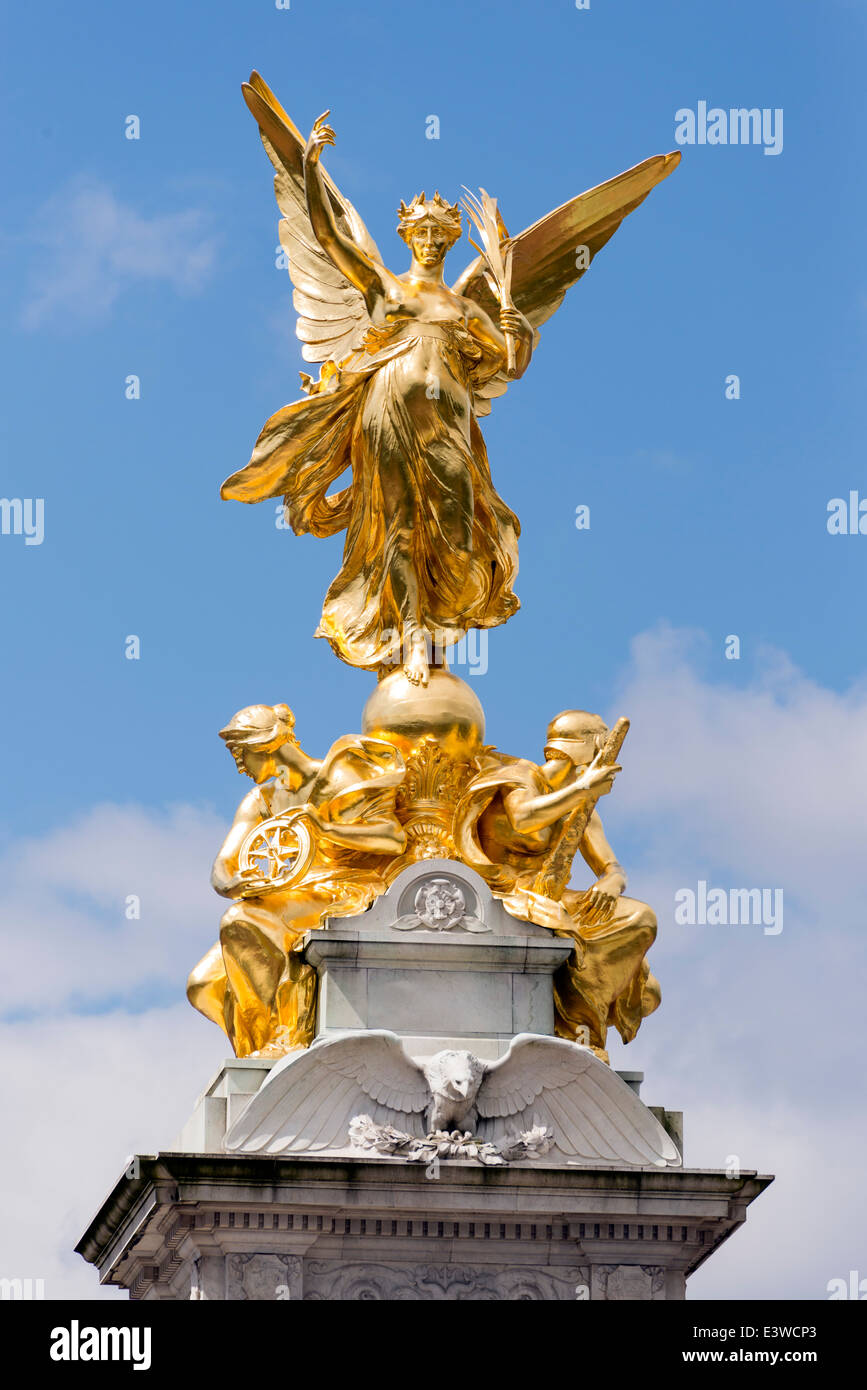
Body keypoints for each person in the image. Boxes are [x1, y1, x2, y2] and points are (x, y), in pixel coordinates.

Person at [187, 703, 406, 1057]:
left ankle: (285, 1041)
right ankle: (260, 1052)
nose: (240, 764)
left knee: (241, 919)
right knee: (203, 985)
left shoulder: (339, 777)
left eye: (241, 753)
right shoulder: (261, 800)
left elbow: (393, 839)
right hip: (289, 895)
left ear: (265, 745)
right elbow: (223, 866)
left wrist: (326, 828)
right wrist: (232, 884)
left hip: (346, 888)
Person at [454, 710, 660, 1062]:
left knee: (640, 918)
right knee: (566, 929)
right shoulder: (519, 776)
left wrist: (611, 882)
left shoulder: (581, 803)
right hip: (500, 893)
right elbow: (524, 817)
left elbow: (611, 866)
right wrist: (583, 789)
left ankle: (577, 1024)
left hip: (552, 897)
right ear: (589, 749)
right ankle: (581, 1032)